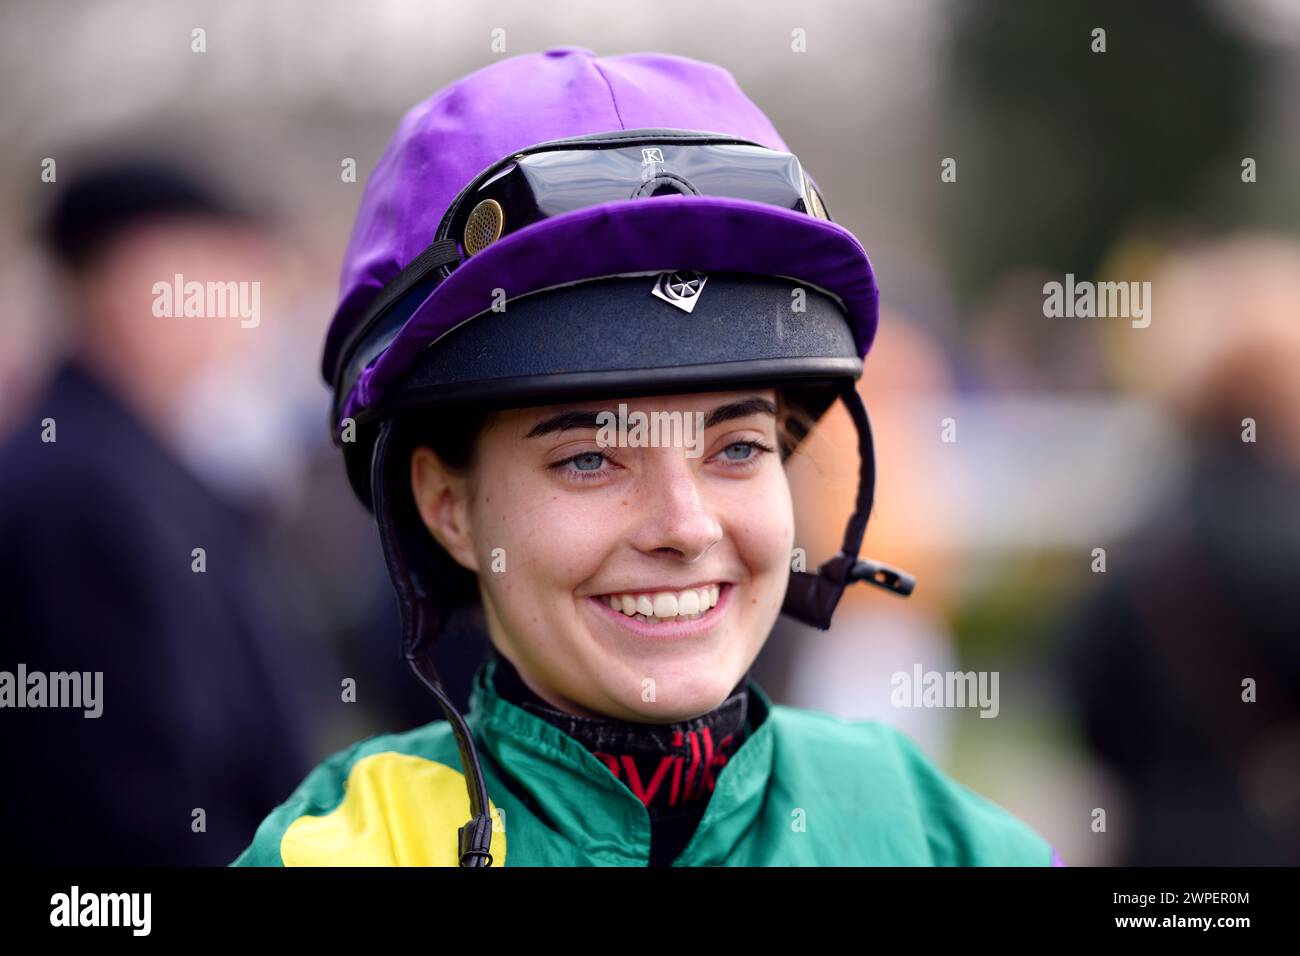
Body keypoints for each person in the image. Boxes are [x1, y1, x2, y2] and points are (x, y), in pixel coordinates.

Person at [233, 48, 1060, 867]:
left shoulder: (939, 840)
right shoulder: (334, 854)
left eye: (737, 447)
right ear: (447, 504)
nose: (685, 526)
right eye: (590, 459)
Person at [0, 158, 315, 864]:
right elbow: (120, 786)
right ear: (116, 281)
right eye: (208, 271)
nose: (240, 306)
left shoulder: (146, 460)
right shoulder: (75, 487)